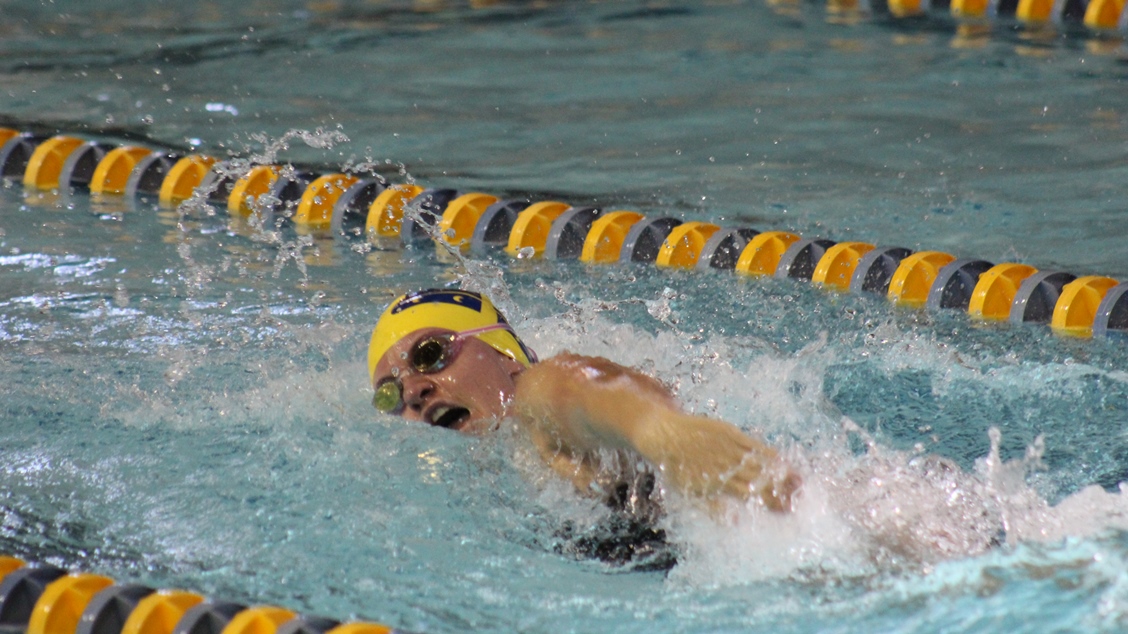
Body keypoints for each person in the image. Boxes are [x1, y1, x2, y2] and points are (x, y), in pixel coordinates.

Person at [368, 288, 802, 519]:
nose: (413, 390)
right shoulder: (491, 485)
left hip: (790, 517)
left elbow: (576, 387)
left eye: (430, 355)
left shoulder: (536, 406)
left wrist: (662, 433)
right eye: (390, 392)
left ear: (507, 357)